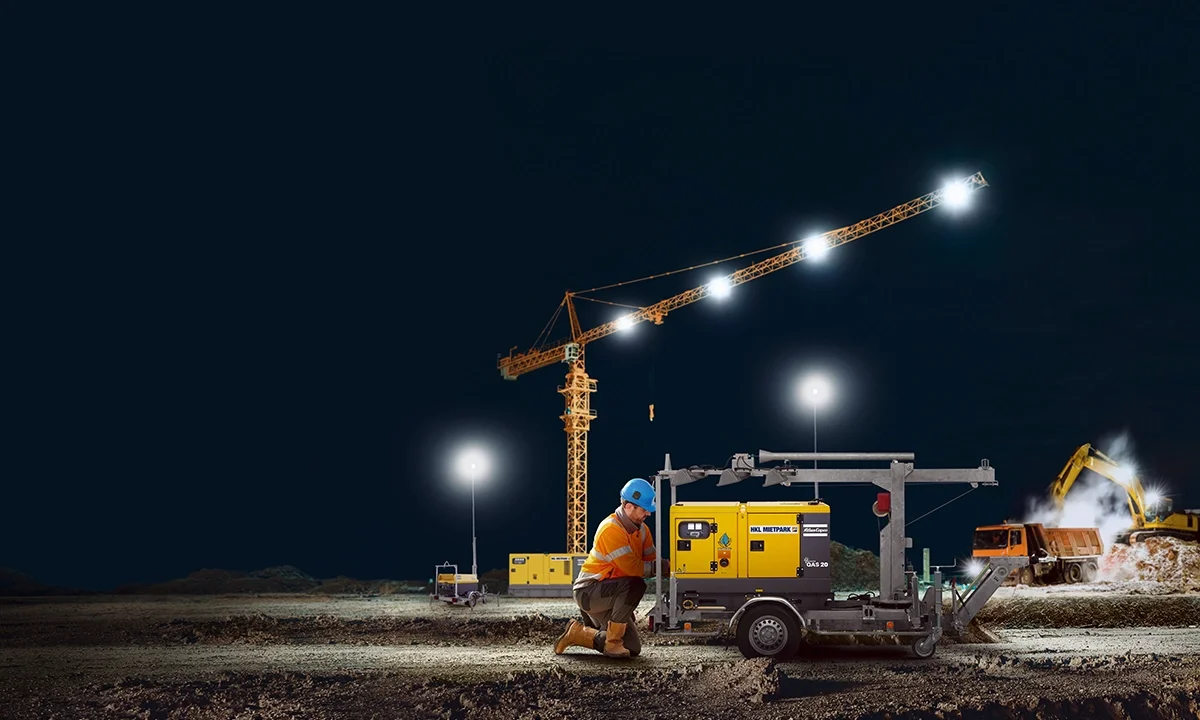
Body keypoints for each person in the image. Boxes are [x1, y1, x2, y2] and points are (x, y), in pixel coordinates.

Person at [553, 478, 669, 658]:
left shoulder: (643, 530)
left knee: (632, 649)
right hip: (590, 593)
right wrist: (662, 567)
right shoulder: (610, 529)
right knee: (636, 584)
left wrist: (679, 568)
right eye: (644, 509)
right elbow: (632, 568)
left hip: (610, 593)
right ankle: (612, 642)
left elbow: (654, 560)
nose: (648, 513)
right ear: (629, 506)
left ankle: (577, 633)